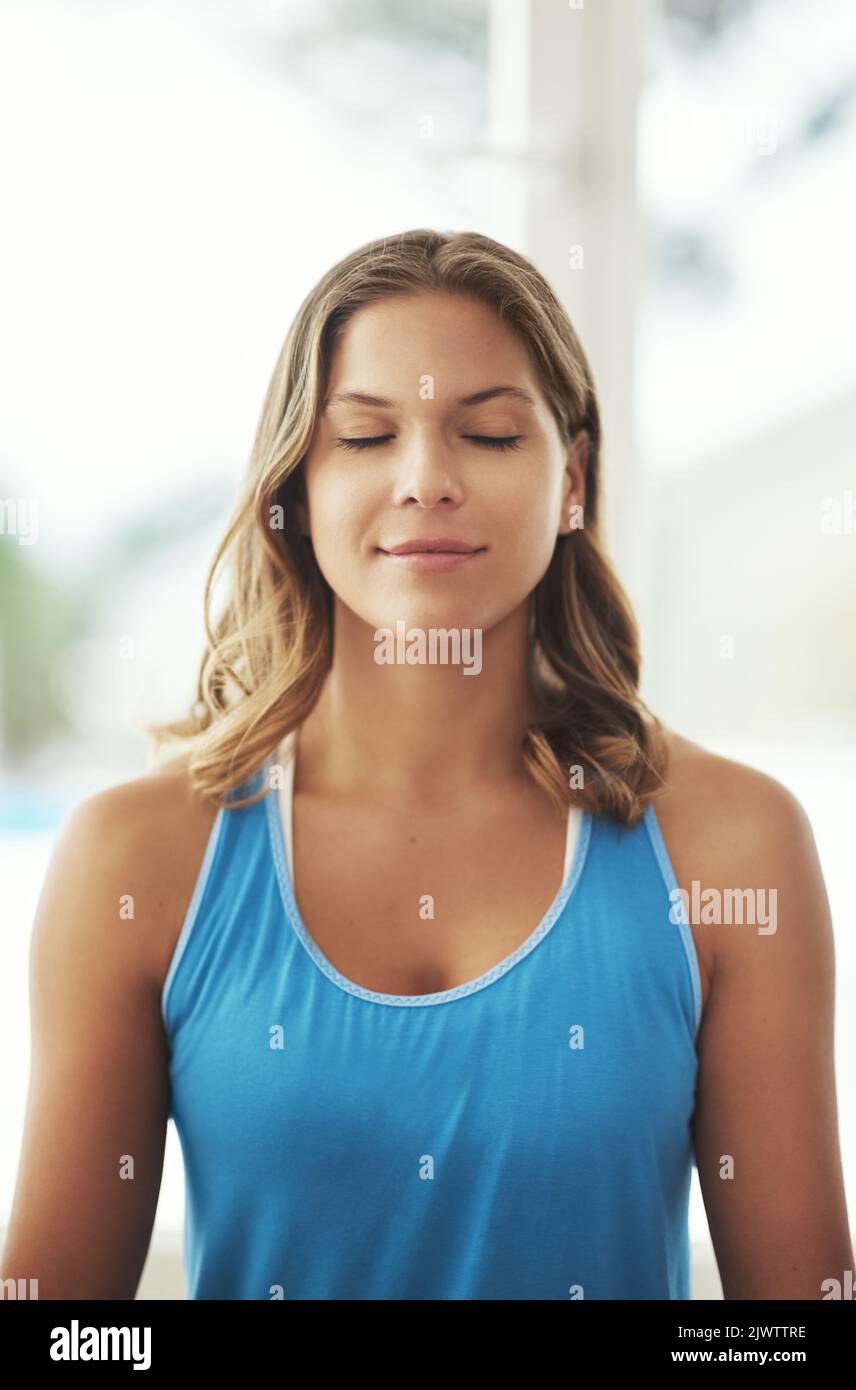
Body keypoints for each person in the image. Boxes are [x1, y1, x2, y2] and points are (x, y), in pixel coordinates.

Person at [1, 230, 851, 1300]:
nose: (425, 481)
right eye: (364, 436)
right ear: (295, 490)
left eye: (489, 434)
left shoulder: (736, 845)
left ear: (573, 479)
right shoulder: (135, 858)